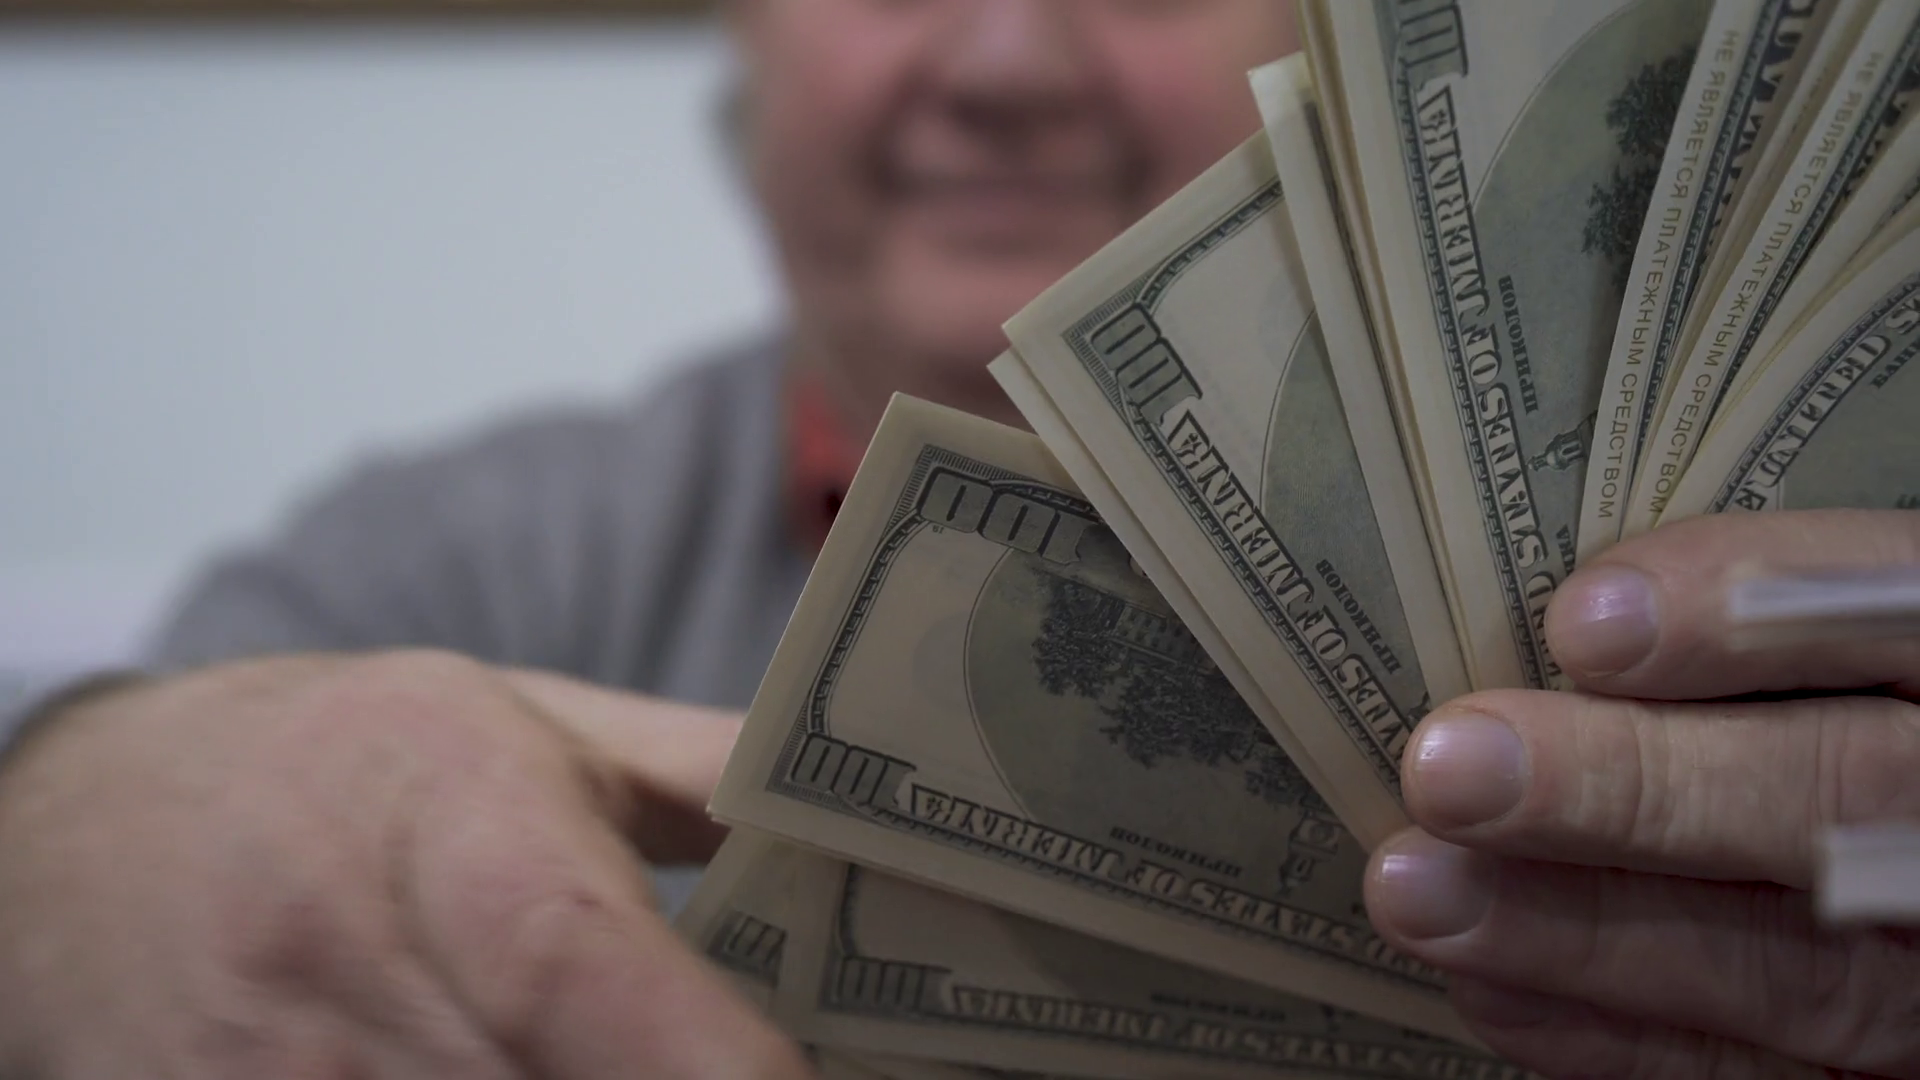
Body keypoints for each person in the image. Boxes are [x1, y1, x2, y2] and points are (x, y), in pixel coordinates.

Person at [0, 2, 1912, 1077]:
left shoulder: (1789, 547)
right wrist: (56, 835)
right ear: (741, 61)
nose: (1003, 53)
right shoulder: (459, 561)